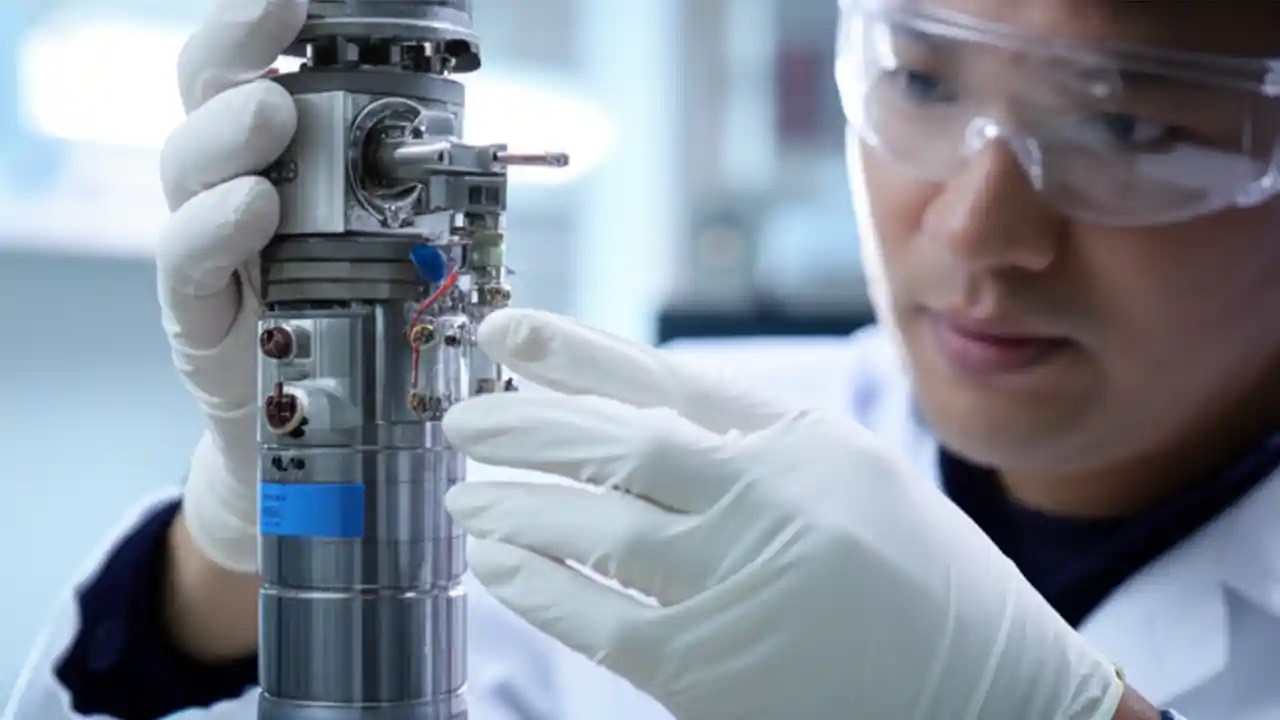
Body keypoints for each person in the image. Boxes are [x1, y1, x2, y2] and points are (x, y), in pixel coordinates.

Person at [5, 0, 1278, 717]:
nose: (976, 230)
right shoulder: (640, 477)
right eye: (922, 85)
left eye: (1129, 122)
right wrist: (249, 538)